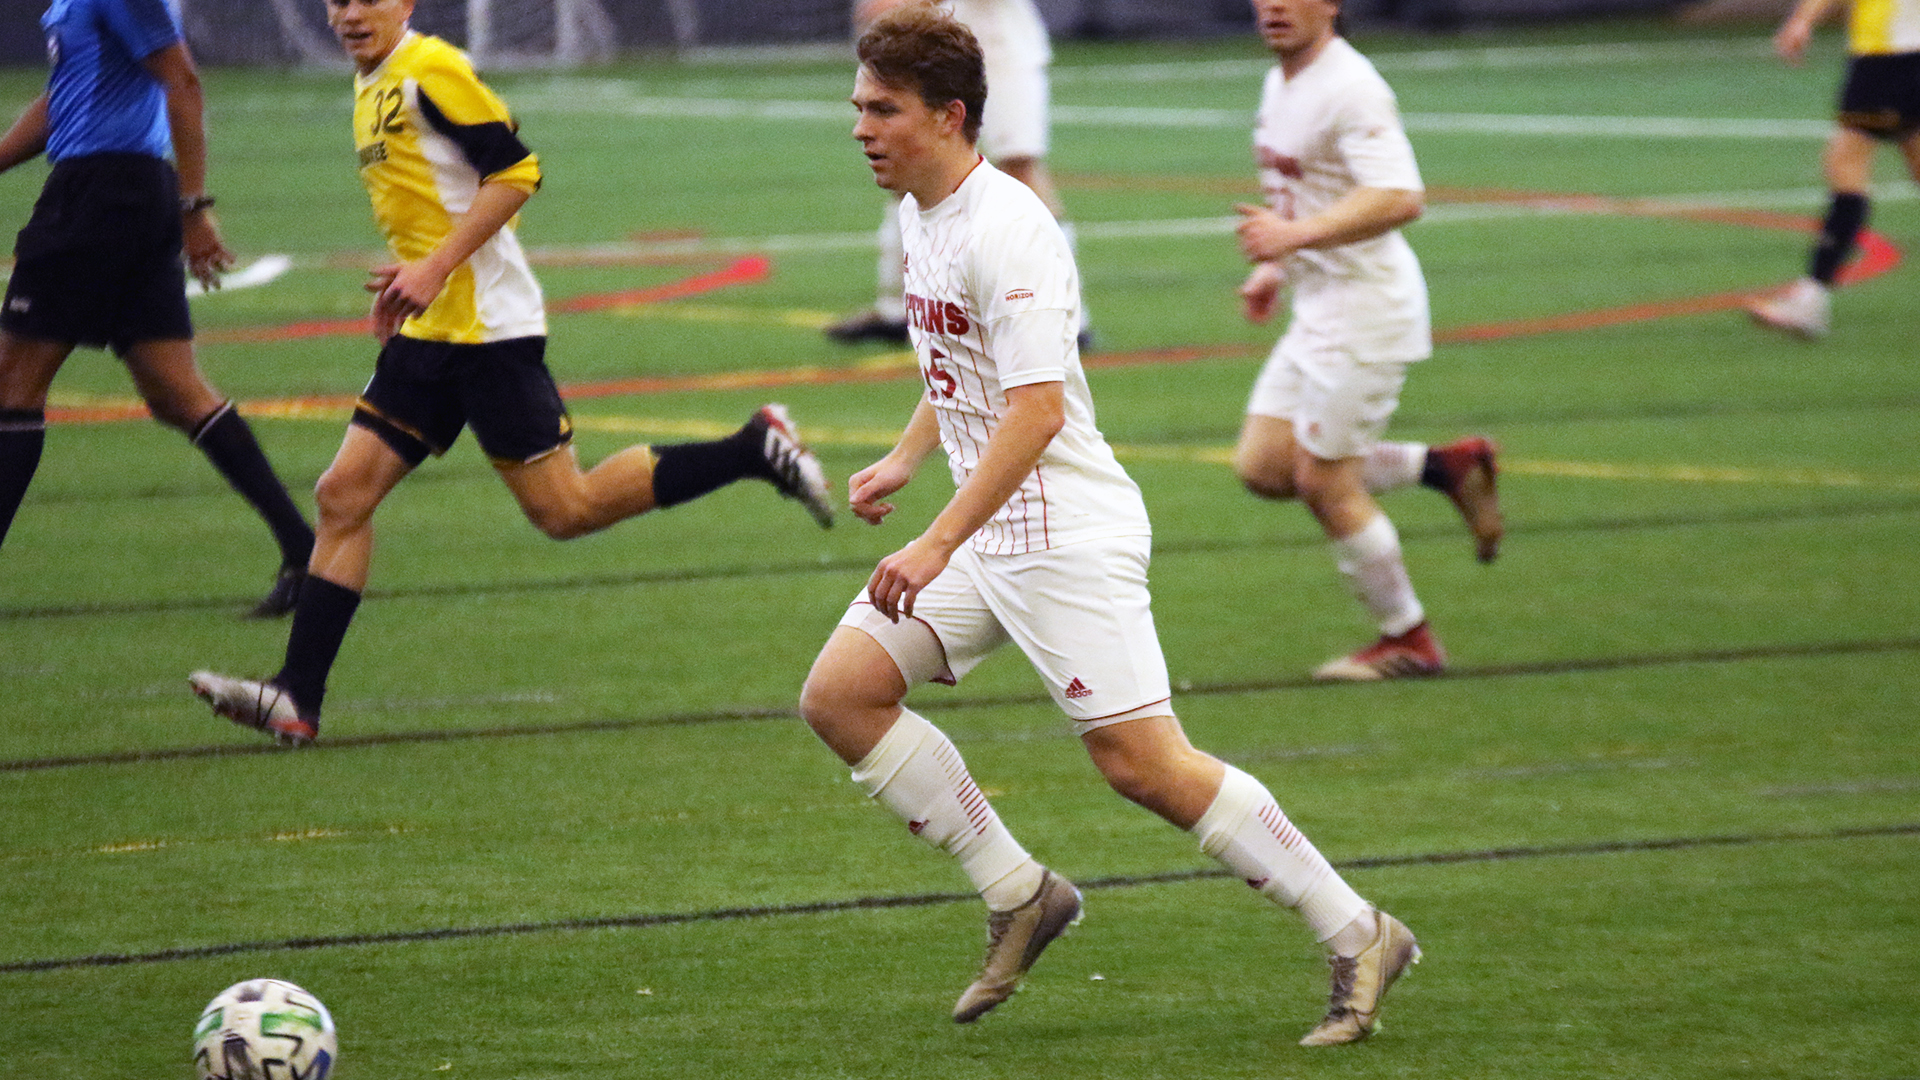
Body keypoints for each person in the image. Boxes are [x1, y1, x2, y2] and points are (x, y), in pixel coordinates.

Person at [799, 3, 1418, 1045]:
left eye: (881, 109)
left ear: (949, 115)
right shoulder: (922, 208)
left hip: (1062, 536)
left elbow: (1038, 407)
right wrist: (910, 456)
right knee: (842, 696)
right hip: (985, 529)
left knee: (1143, 765)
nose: (861, 128)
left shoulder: (1011, 226)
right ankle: (1019, 891)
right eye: (858, 106)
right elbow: (963, 356)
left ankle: (1359, 930)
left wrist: (936, 537)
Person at [188, 0, 835, 745]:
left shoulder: (431, 68)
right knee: (342, 495)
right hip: (431, 329)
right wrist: (415, 276)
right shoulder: (372, 82)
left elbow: (517, 171)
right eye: (337, 0)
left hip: (489, 329)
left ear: (405, 3)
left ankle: (754, 447)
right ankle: (295, 696)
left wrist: (433, 265)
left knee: (567, 510)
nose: (350, 12)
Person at [0, 0, 317, 617]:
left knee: (12, 382)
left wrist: (195, 207)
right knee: (177, 392)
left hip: (100, 197)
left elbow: (184, 82)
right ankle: (305, 552)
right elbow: (63, 96)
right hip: (126, 195)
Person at [1230, 0, 1502, 682]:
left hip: (1368, 312)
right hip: (1318, 306)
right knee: (1264, 467)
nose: (1275, 5)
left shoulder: (1351, 86)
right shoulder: (1283, 80)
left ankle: (1408, 638)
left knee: (1324, 481)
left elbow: (1400, 195)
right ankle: (1446, 467)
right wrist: (1275, 266)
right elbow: (1303, 193)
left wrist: (1290, 239)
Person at [825, 0, 1089, 347]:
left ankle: (1067, 313)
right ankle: (899, 310)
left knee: (1020, 167)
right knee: (907, 169)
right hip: (929, 51)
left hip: (999, 47)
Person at [1745, 0, 1920, 338]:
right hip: (1905, 53)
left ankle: (1810, 300)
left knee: (1846, 166)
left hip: (1887, 56)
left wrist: (1801, 20)